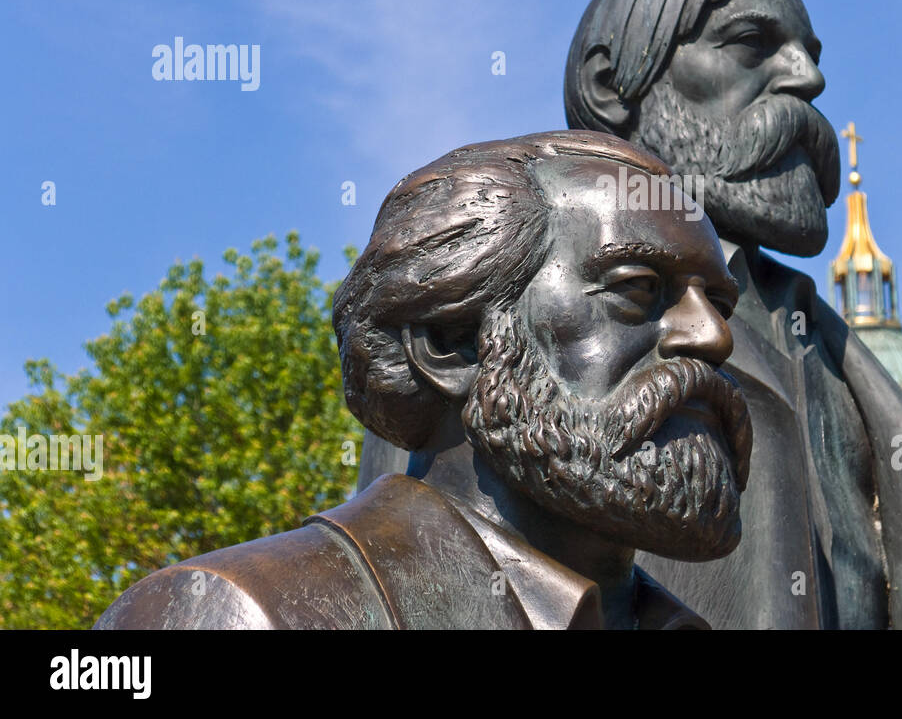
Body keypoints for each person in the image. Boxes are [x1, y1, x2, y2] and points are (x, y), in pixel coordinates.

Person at [96, 131, 751, 630]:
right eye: (637, 289)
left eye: (718, 305)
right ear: (449, 342)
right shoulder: (240, 612)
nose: (712, 337)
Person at [562, 0, 902, 629]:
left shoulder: (837, 361)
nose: (808, 81)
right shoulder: (506, 298)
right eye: (752, 43)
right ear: (612, 88)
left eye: (810, 52)